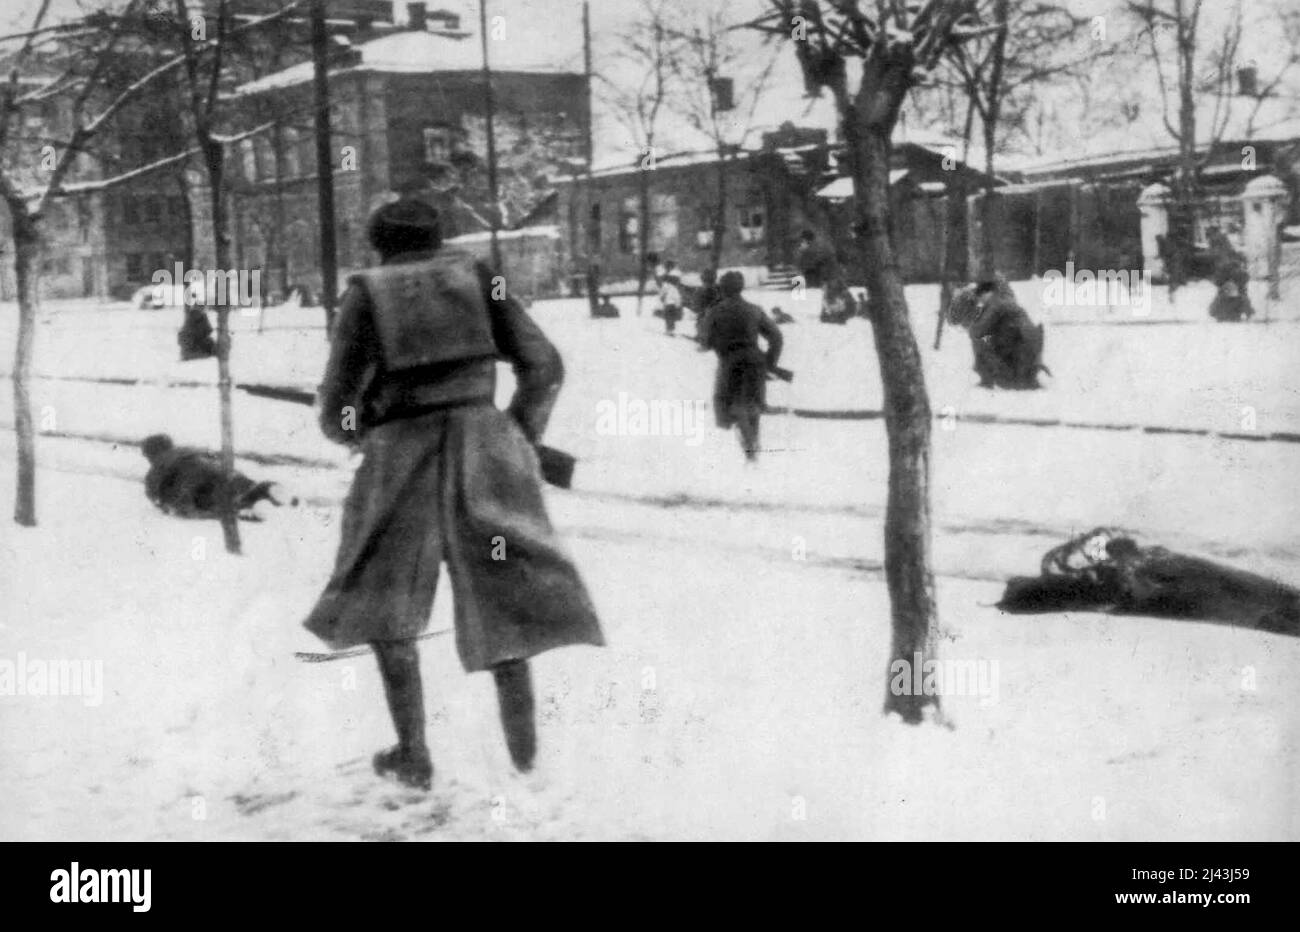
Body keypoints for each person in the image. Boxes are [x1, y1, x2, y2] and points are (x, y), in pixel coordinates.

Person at [306, 197, 605, 790]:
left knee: (387, 605)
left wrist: (361, 427)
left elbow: (335, 405)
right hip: (485, 453)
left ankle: (413, 755)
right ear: (438, 237)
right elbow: (543, 365)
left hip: (399, 461)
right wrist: (516, 435)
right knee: (505, 598)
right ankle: (525, 763)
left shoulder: (365, 294)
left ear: (379, 244)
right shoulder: (479, 278)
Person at [699, 271, 784, 461]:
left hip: (730, 363)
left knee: (729, 405)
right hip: (755, 363)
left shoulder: (714, 311)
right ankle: (753, 448)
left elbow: (704, 341)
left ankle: (750, 450)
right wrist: (769, 363)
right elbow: (776, 337)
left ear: (722, 289)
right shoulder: (755, 309)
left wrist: (710, 342)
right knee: (753, 406)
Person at [947, 278, 1048, 390]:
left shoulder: (987, 318)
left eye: (964, 323)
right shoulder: (1002, 302)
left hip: (1018, 374)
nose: (965, 327)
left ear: (969, 313)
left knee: (979, 340)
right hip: (1030, 366)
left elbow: (978, 337)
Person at [1206, 227, 1254, 322]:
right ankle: (1243, 311)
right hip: (1234, 272)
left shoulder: (1216, 243)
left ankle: (1223, 313)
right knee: (1238, 291)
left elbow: (1220, 259)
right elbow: (1232, 255)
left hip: (1228, 272)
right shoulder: (1224, 242)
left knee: (1228, 292)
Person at [659, 270, 683, 334]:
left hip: (668, 304)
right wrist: (678, 305)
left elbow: (662, 294)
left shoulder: (665, 286)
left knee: (667, 317)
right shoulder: (674, 288)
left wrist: (661, 299)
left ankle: (668, 330)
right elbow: (678, 297)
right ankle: (671, 330)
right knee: (672, 318)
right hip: (673, 305)